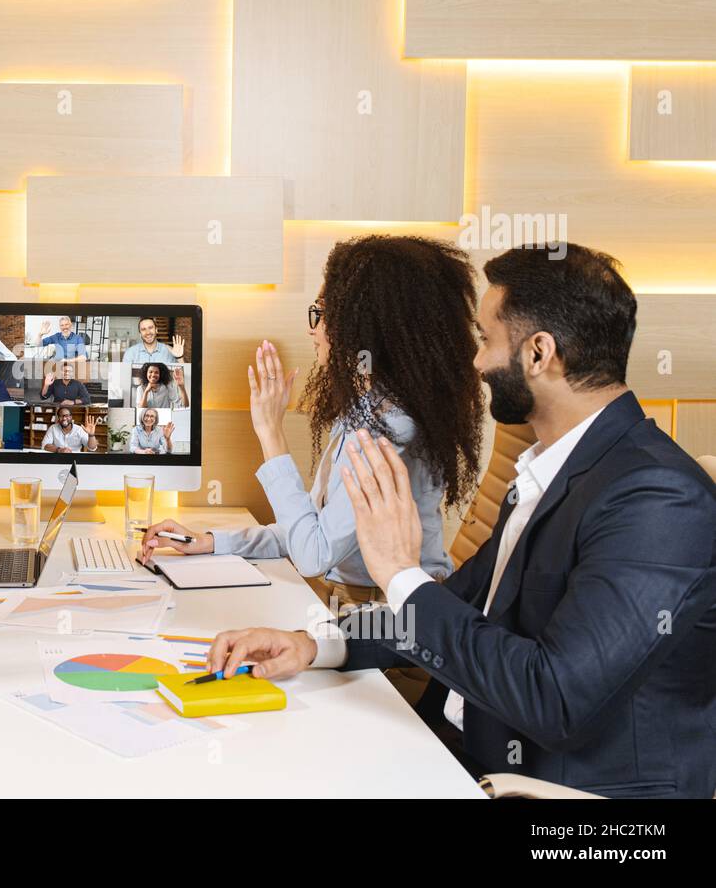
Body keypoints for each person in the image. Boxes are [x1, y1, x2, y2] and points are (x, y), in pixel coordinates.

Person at [207, 244, 716, 798]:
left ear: (538, 353)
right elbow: (464, 602)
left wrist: (400, 572)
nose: (475, 363)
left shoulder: (657, 497)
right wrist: (315, 644)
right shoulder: (554, 467)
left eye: (486, 341)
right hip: (454, 746)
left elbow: (555, 699)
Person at [143, 235, 485, 612]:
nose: (313, 328)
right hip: (346, 606)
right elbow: (306, 529)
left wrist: (271, 433)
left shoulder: (392, 430)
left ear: (363, 326)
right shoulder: (366, 409)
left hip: (385, 631)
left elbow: (313, 553)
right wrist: (211, 542)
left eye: (322, 313)